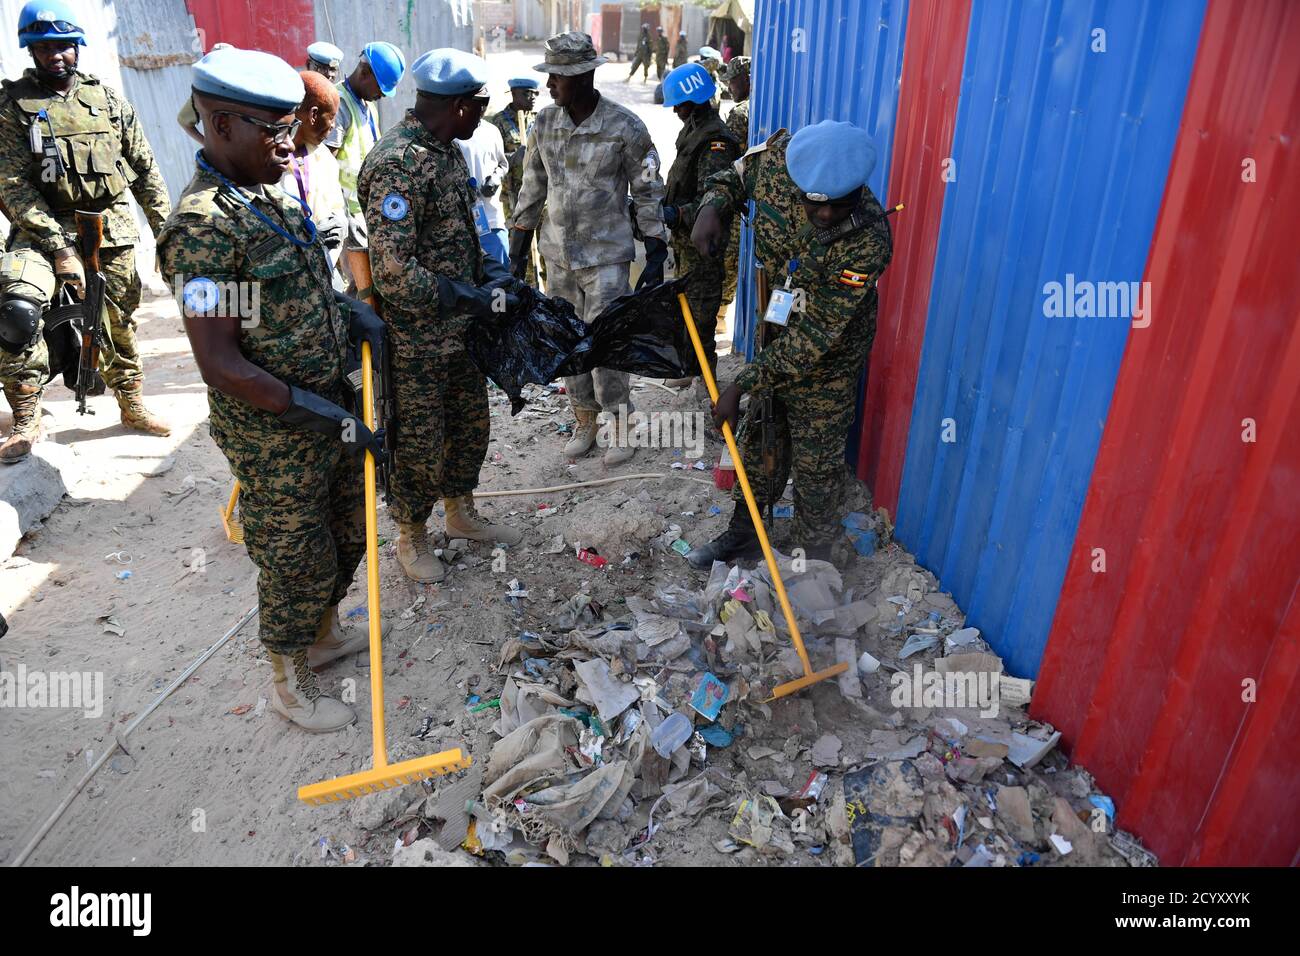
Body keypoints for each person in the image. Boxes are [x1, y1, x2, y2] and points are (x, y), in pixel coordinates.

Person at [158, 47, 387, 732]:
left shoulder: (267, 195)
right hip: (275, 430)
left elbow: (303, 292)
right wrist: (309, 409)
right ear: (221, 125)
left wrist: (355, 312)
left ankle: (322, 637)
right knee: (295, 553)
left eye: (293, 127)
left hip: (323, 406)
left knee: (348, 531)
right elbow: (221, 362)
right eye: (275, 130)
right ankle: (289, 678)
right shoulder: (203, 229)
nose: (292, 145)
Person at [685, 121, 894, 569]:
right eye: (811, 204)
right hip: (774, 335)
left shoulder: (869, 242)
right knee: (759, 446)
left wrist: (742, 382)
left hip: (826, 365)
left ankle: (810, 555)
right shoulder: (779, 162)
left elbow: (815, 335)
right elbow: (733, 177)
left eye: (834, 207)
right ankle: (744, 535)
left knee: (818, 471)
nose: (821, 215)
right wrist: (712, 208)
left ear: (856, 192)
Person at [358, 48, 524, 584]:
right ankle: (410, 534)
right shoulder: (398, 163)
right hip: (415, 343)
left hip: (459, 335)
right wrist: (463, 295)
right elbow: (391, 271)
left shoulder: (446, 150)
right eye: (480, 104)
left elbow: (456, 235)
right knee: (419, 444)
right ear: (457, 106)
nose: (484, 113)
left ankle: (460, 514)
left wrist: (489, 272)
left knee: (470, 429)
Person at [0, 0, 172, 464]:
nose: (55, 55)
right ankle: (26, 414)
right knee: (17, 309)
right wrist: (58, 247)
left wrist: (166, 233)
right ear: (30, 52)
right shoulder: (12, 107)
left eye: (63, 46)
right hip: (41, 230)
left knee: (118, 318)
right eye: (44, 47)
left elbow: (144, 169)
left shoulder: (109, 100)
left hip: (108, 228)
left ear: (77, 48)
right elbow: (12, 185)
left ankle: (131, 402)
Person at [509, 32, 667, 467]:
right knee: (567, 343)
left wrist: (656, 248)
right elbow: (532, 188)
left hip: (607, 260)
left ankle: (619, 426)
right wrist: (518, 247)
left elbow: (649, 190)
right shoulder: (543, 124)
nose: (548, 85)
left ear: (582, 76)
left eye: (556, 77)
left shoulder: (625, 127)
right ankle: (585, 421)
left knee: (606, 344)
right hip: (558, 255)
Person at [658, 64, 740, 392]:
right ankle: (690, 370)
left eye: (680, 104)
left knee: (703, 315)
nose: (676, 110)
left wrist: (676, 213)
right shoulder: (694, 129)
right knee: (687, 310)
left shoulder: (716, 142)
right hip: (686, 243)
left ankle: (709, 388)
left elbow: (714, 202)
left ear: (697, 101)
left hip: (703, 245)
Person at [328, 41, 406, 287]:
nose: (382, 95)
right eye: (381, 87)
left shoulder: (368, 106)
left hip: (366, 210)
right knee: (359, 287)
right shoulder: (338, 104)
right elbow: (324, 163)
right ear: (364, 73)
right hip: (346, 212)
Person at [276, 71, 346, 271]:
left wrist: (337, 228)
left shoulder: (324, 159)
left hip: (322, 270)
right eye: (331, 117)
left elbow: (336, 209)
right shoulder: (268, 164)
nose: (332, 126)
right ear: (313, 115)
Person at [487, 77, 540, 282]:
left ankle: (543, 282)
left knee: (544, 240)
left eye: (535, 93)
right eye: (527, 93)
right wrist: (514, 157)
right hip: (513, 194)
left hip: (538, 192)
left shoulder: (539, 119)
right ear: (514, 94)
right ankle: (523, 284)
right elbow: (493, 160)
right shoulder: (498, 123)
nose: (533, 97)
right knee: (519, 242)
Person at [717, 55, 751, 332]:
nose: (729, 86)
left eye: (733, 80)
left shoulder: (740, 113)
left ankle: (720, 318)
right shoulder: (759, 106)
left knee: (729, 255)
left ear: (747, 79)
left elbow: (727, 157)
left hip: (739, 191)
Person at [457, 115, 510, 265]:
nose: (481, 107)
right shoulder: (453, 131)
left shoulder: (492, 130)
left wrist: (496, 178)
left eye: (484, 102)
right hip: (462, 224)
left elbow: (502, 164)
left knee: (501, 279)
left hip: (492, 221)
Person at [178, 41, 233, 144]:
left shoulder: (204, 92)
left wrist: (207, 144)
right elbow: (183, 120)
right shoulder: (203, 93)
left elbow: (183, 120)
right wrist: (206, 144)